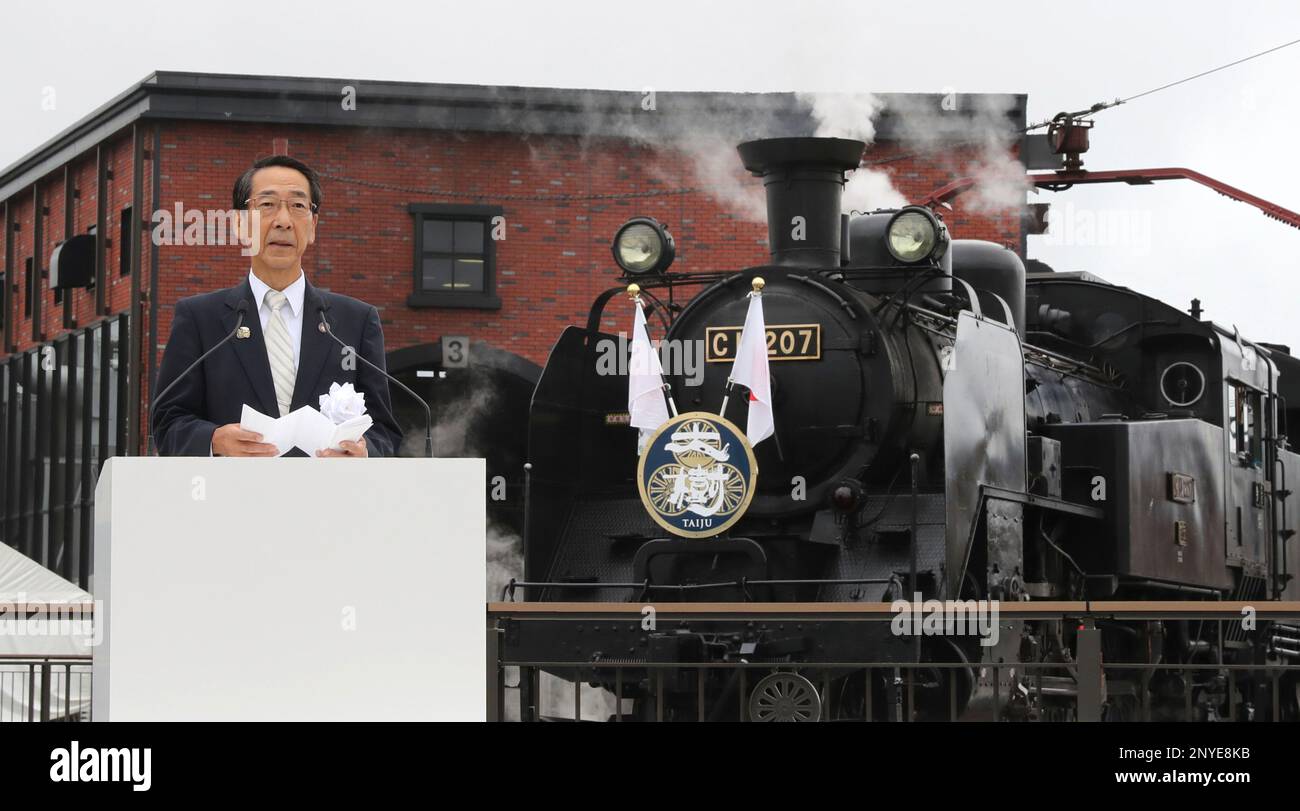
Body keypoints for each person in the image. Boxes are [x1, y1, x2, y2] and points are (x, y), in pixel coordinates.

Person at [151, 154, 403, 458]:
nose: (283, 221)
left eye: (298, 206)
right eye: (267, 205)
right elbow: (168, 422)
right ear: (240, 224)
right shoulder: (200, 318)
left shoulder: (356, 322)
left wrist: (365, 453)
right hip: (229, 498)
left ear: (312, 226)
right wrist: (214, 440)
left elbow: (384, 432)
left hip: (328, 500)